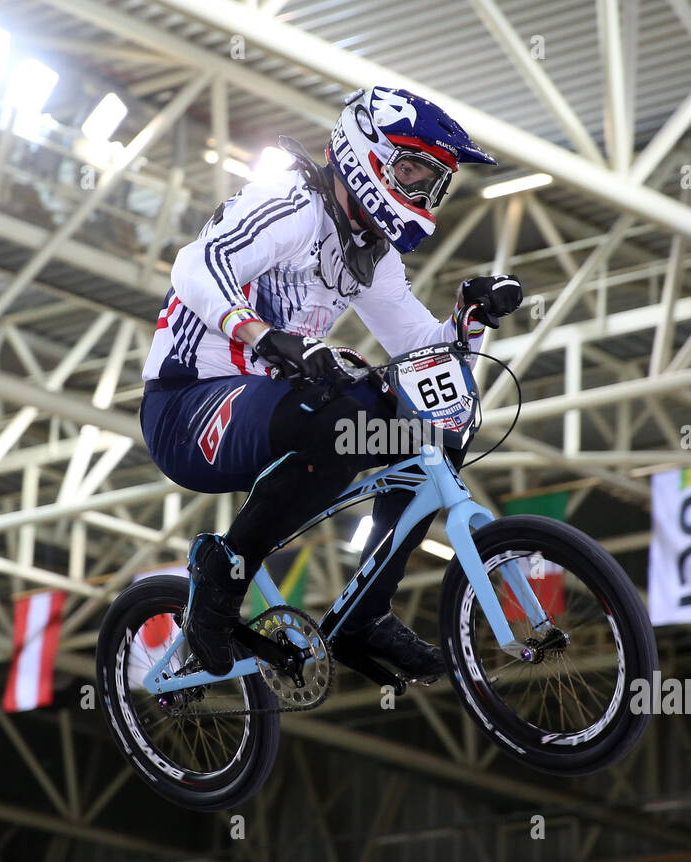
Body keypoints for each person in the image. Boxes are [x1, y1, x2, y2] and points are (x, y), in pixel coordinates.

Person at [139, 86, 523, 681]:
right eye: (413, 172)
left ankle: (366, 613)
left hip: (271, 407)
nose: (422, 194)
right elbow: (195, 266)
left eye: (434, 183)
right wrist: (270, 338)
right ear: (367, 152)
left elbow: (424, 354)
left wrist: (468, 322)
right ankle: (220, 583)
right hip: (187, 405)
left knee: (427, 421)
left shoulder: (371, 250)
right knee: (337, 416)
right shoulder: (290, 204)